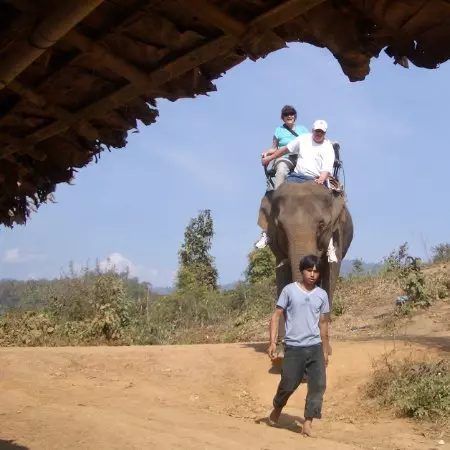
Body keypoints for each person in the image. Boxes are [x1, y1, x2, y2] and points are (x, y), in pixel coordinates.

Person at [267, 254, 330, 437]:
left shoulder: (321, 295)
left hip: (315, 346)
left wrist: (325, 349)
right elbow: (276, 316)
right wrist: (273, 342)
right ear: (302, 271)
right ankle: (277, 407)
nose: (312, 274)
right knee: (288, 383)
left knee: (318, 385)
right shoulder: (289, 291)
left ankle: (308, 422)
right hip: (294, 347)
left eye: (316, 271)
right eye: (309, 270)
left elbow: (324, 323)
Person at [259, 119, 338, 262]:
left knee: (329, 206)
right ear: (312, 130)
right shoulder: (303, 139)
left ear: (324, 133)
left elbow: (326, 168)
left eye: (321, 132)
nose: (318, 134)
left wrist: (321, 178)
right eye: (316, 131)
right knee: (279, 197)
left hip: (316, 180)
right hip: (296, 177)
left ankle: (330, 244)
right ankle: (268, 232)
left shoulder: (327, 147)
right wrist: (270, 158)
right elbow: (284, 150)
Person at [255, 105, 308, 249]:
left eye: (291, 114)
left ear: (295, 115)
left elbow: (310, 145)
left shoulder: (303, 130)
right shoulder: (279, 130)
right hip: (285, 157)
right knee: (282, 169)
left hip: (302, 159)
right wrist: (267, 153)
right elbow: (274, 148)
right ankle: (278, 198)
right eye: (286, 114)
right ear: (282, 117)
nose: (289, 116)